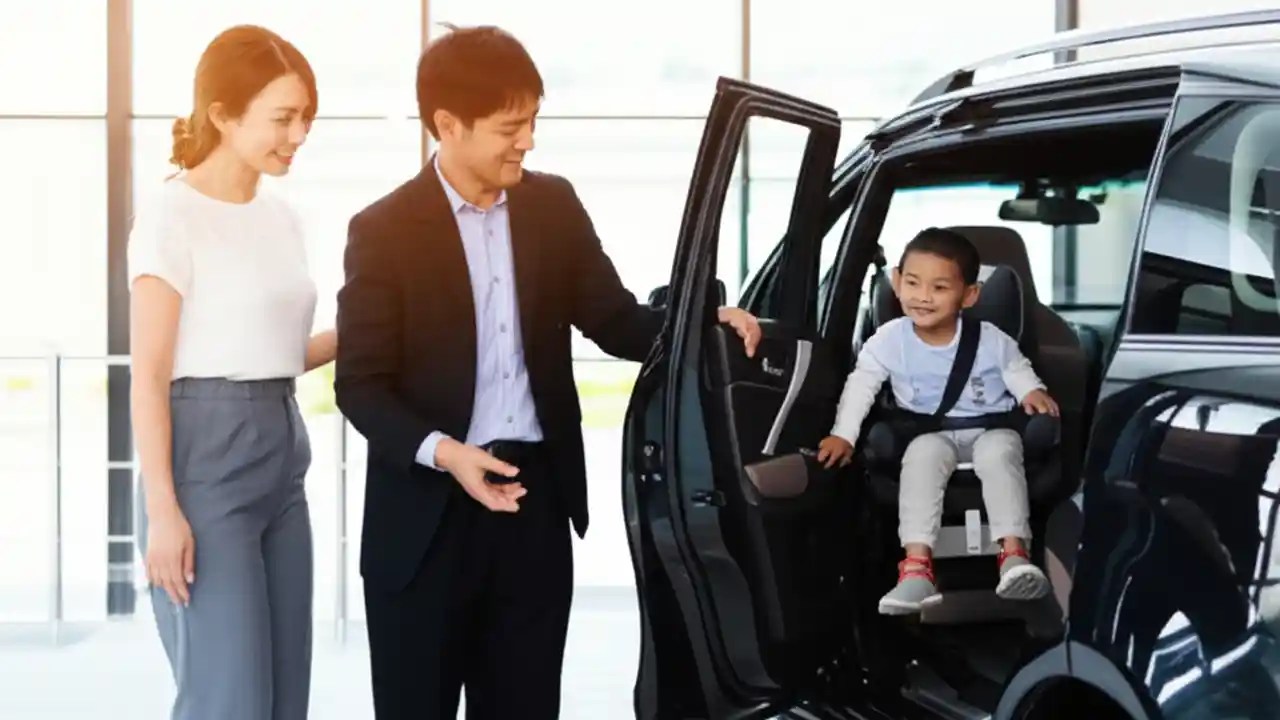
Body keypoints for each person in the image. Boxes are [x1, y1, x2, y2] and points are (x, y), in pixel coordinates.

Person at [334, 24, 762, 720]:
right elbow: (359, 383)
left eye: (533, 121)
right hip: (424, 524)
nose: (527, 141)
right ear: (448, 124)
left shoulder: (551, 206)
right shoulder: (382, 229)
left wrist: (700, 319)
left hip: (531, 511)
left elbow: (617, 321)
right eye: (511, 126)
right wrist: (447, 454)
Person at [128, 25, 335, 720]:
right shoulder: (171, 215)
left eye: (306, 116)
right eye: (283, 117)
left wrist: (372, 327)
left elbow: (271, 354)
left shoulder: (283, 218)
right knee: (231, 701)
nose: (299, 133)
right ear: (221, 113)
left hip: (282, 451)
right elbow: (149, 375)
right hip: (205, 464)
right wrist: (163, 512)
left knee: (283, 700)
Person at [816, 227, 1056, 616]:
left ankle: (1013, 555)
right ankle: (916, 569)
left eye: (940, 288)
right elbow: (861, 385)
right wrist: (843, 435)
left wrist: (1032, 391)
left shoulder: (989, 338)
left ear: (970, 295)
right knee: (922, 457)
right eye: (912, 283)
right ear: (896, 281)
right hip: (929, 433)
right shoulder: (888, 340)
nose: (923, 296)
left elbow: (1017, 369)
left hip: (988, 429)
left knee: (1000, 451)